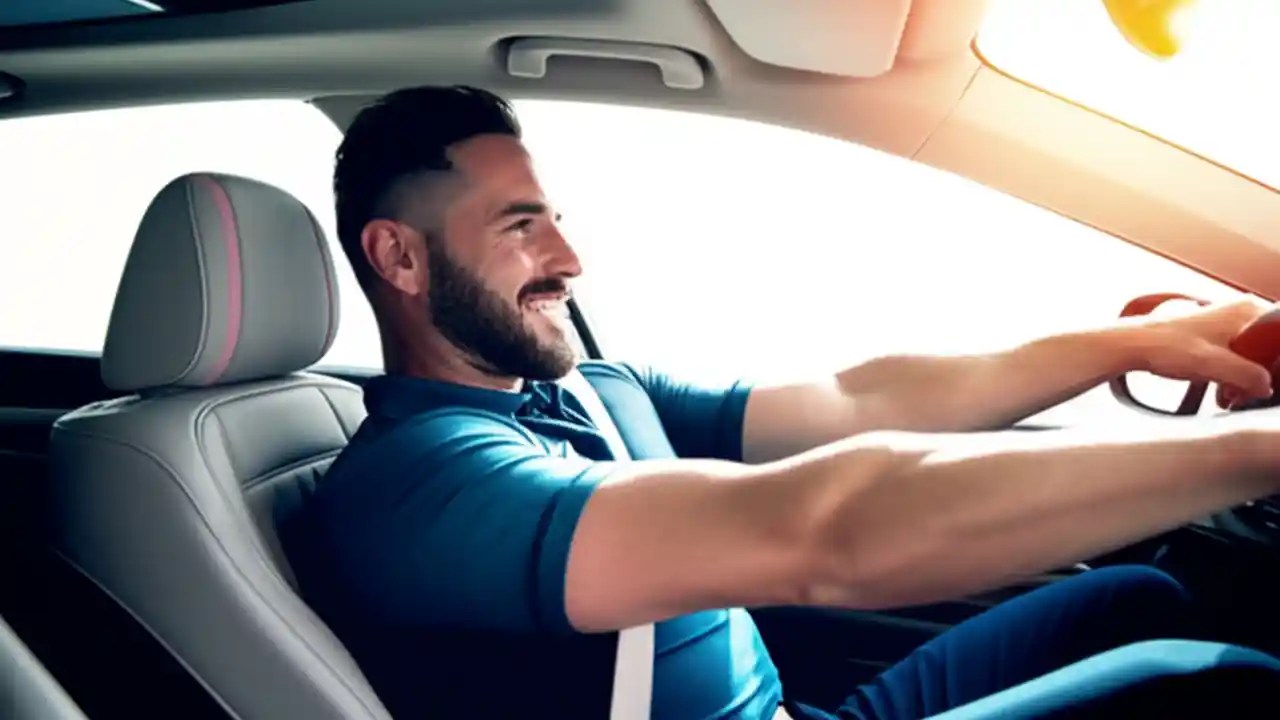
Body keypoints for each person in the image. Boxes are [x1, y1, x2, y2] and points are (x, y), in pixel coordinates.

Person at [283, 85, 1280, 720]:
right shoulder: (419, 486)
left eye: (555, 221)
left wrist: (1137, 341)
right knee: (1212, 685)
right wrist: (1252, 452)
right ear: (399, 257)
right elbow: (819, 530)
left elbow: (858, 402)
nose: (569, 259)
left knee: (1134, 602)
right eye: (520, 228)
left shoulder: (593, 391)